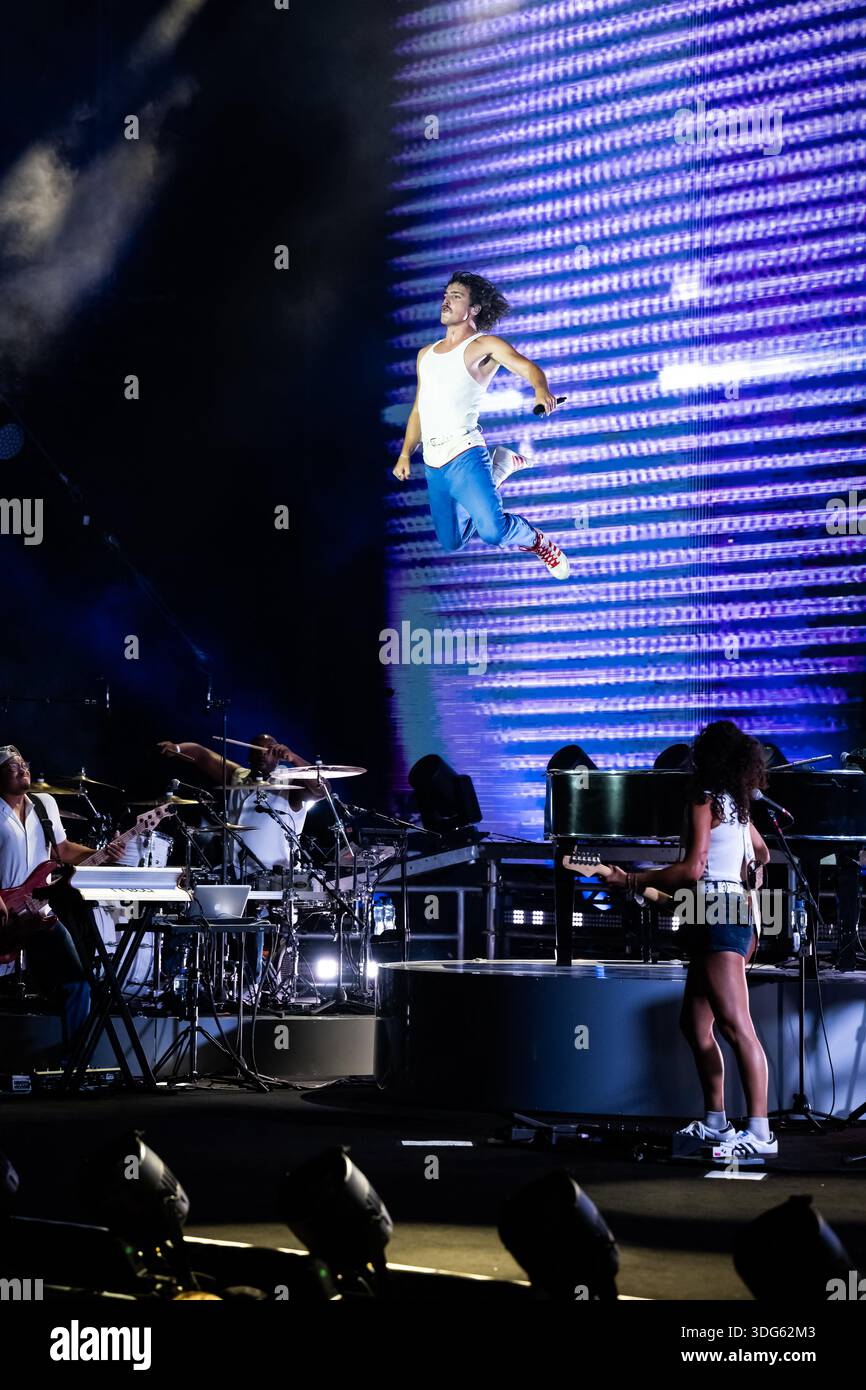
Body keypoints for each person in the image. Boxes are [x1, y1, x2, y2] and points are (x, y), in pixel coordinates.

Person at [605, 721, 776, 1158]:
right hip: (724, 913)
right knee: (696, 1026)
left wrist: (632, 878)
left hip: (718, 914)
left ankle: (760, 1132)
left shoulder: (704, 799)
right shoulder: (736, 805)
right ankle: (717, 1121)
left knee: (738, 1027)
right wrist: (750, 883)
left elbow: (692, 869)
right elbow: (763, 854)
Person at [392, 271, 570, 579]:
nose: (446, 301)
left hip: (465, 454)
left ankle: (536, 541)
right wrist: (406, 453)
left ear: (474, 309)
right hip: (434, 465)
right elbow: (420, 408)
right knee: (452, 542)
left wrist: (541, 389)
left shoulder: (483, 346)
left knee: (493, 532)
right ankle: (499, 470)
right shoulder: (425, 356)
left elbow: (526, 366)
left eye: (456, 296)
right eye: (445, 295)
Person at [0, 745, 124, 1053]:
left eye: (23, 763)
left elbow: (63, 850)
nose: (22, 768)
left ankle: (75, 1064)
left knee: (76, 981)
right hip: (4, 914)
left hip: (39, 911)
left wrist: (102, 854)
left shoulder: (44, 804)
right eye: (12, 765)